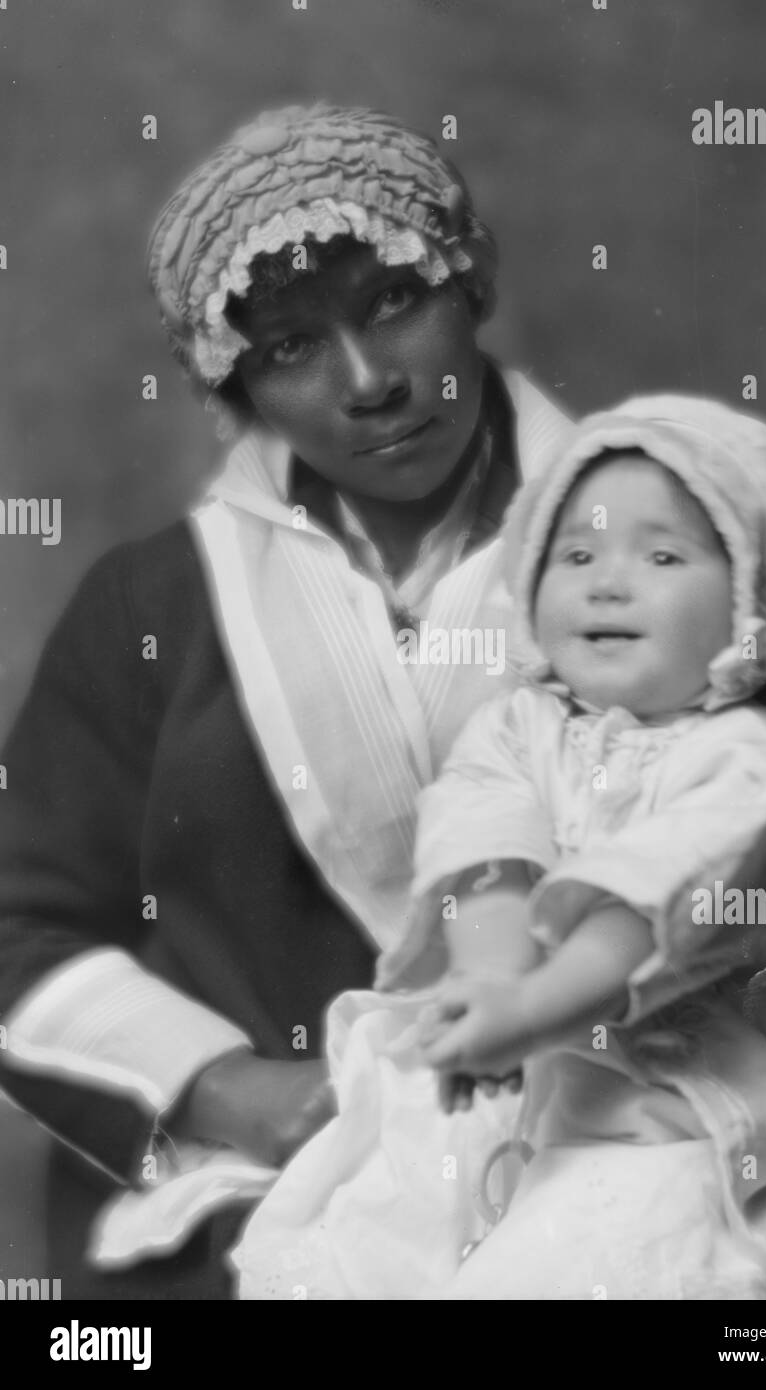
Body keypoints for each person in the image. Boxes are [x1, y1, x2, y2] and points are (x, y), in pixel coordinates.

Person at [0, 102, 573, 1299]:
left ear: (468, 284)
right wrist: (221, 1086)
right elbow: (16, 930)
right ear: (238, 386)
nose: (369, 384)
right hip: (259, 1203)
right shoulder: (152, 605)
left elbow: (755, 884)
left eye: (390, 304)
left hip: (588, 1159)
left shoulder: (656, 549)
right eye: (292, 347)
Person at [231, 395, 766, 1300]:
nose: (606, 583)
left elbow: (633, 920)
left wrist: (530, 1011)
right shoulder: (519, 726)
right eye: (575, 555)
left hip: (673, 1104)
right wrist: (493, 986)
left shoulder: (744, 765)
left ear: (748, 607)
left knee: (589, 1252)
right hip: (526, 1065)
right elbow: (490, 859)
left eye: (660, 556)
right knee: (382, 1221)